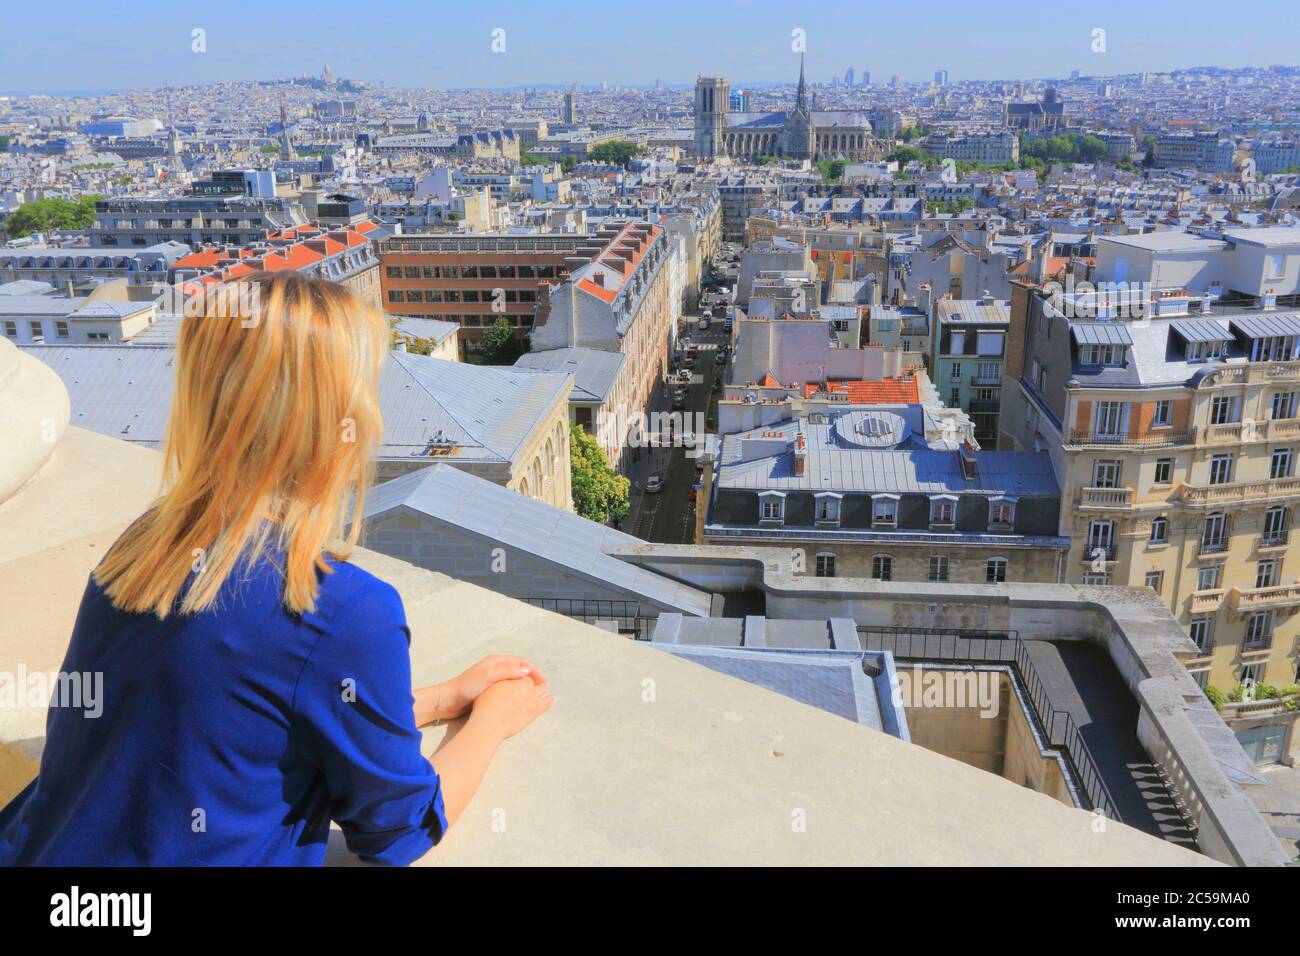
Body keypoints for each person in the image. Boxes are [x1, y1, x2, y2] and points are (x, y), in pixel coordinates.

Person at [0, 271, 552, 866]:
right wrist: (490, 722)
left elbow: (223, 724)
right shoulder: (341, 610)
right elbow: (398, 833)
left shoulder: (147, 547)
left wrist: (438, 699)